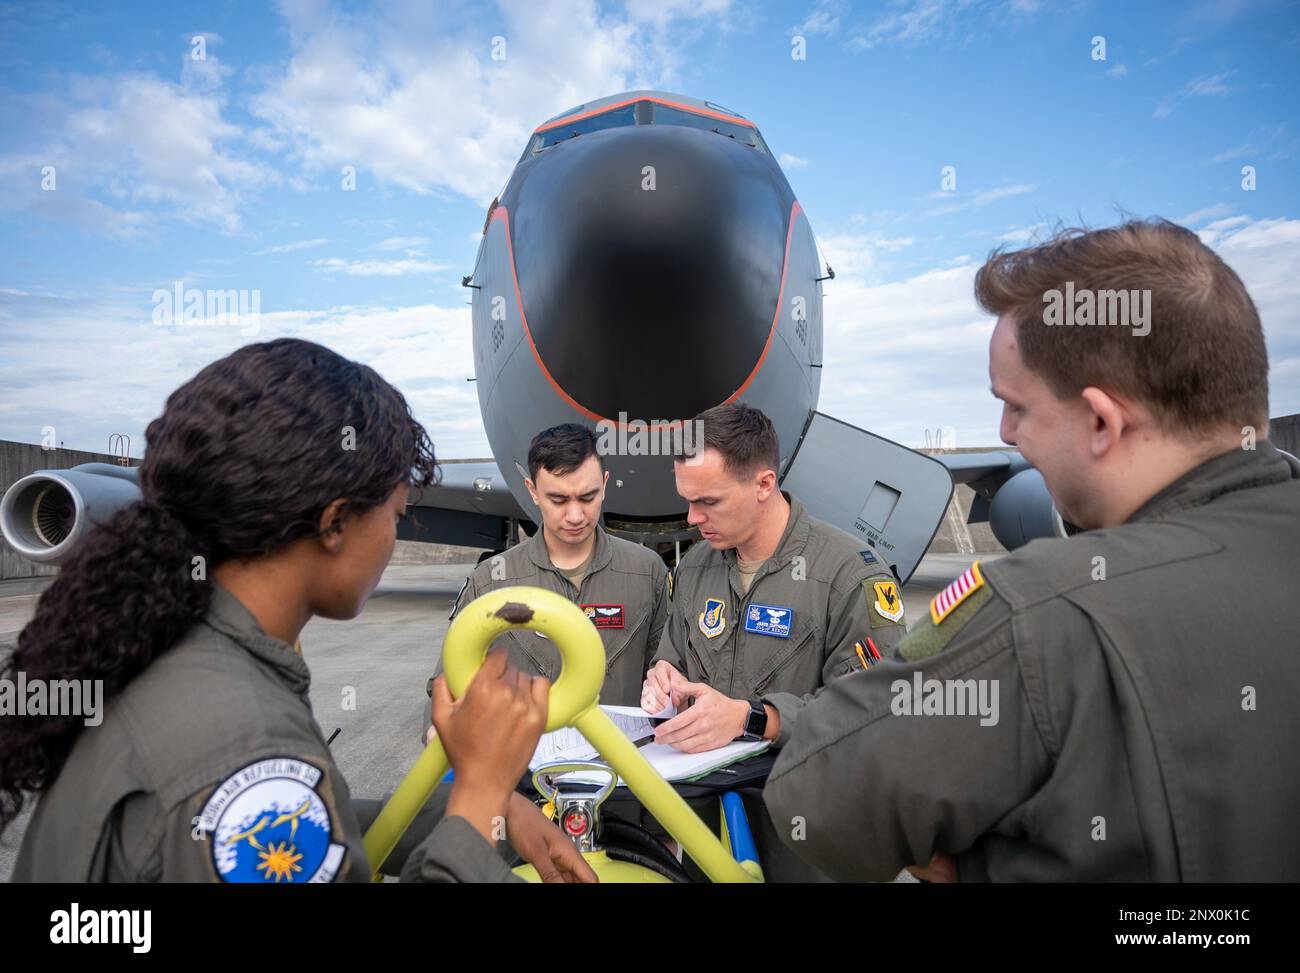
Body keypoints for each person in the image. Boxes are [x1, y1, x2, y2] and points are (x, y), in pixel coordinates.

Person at [764, 218, 1300, 882]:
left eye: (1016, 406)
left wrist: (981, 863)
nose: (1005, 432)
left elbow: (811, 801)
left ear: (1102, 421)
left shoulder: (1042, 610)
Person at [2, 338, 594, 884]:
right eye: (394, 514)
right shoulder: (243, 742)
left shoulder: (174, 652)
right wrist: (483, 793)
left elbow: (310, 835)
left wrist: (495, 807)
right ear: (335, 523)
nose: (393, 537)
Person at [640, 402, 908, 881]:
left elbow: (877, 711)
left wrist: (755, 718)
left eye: (709, 502)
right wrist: (662, 681)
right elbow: (672, 656)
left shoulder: (850, 575)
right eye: (687, 499)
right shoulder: (695, 567)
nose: (692, 516)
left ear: (764, 484)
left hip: (812, 843)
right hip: (709, 834)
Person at [432, 423, 668, 708]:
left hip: (620, 751)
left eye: (588, 497)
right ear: (532, 491)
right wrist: (442, 731)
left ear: (605, 485)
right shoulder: (490, 582)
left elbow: (668, 671)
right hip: (526, 753)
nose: (575, 515)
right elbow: (447, 687)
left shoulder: (647, 573)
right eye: (558, 499)